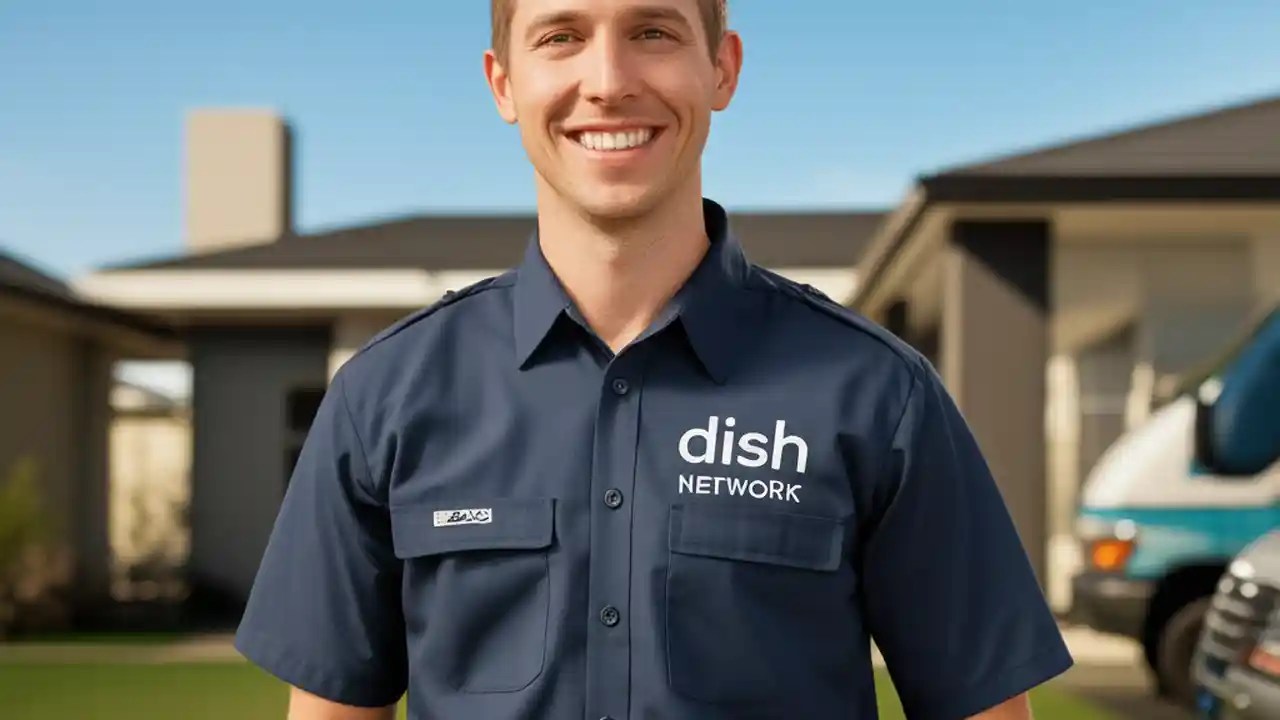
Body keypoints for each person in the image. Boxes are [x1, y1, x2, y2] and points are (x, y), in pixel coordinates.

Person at [233, 1, 1075, 718]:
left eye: (654, 33)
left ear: (723, 68)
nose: (607, 80)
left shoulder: (879, 398)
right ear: (502, 82)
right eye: (561, 36)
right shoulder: (383, 399)